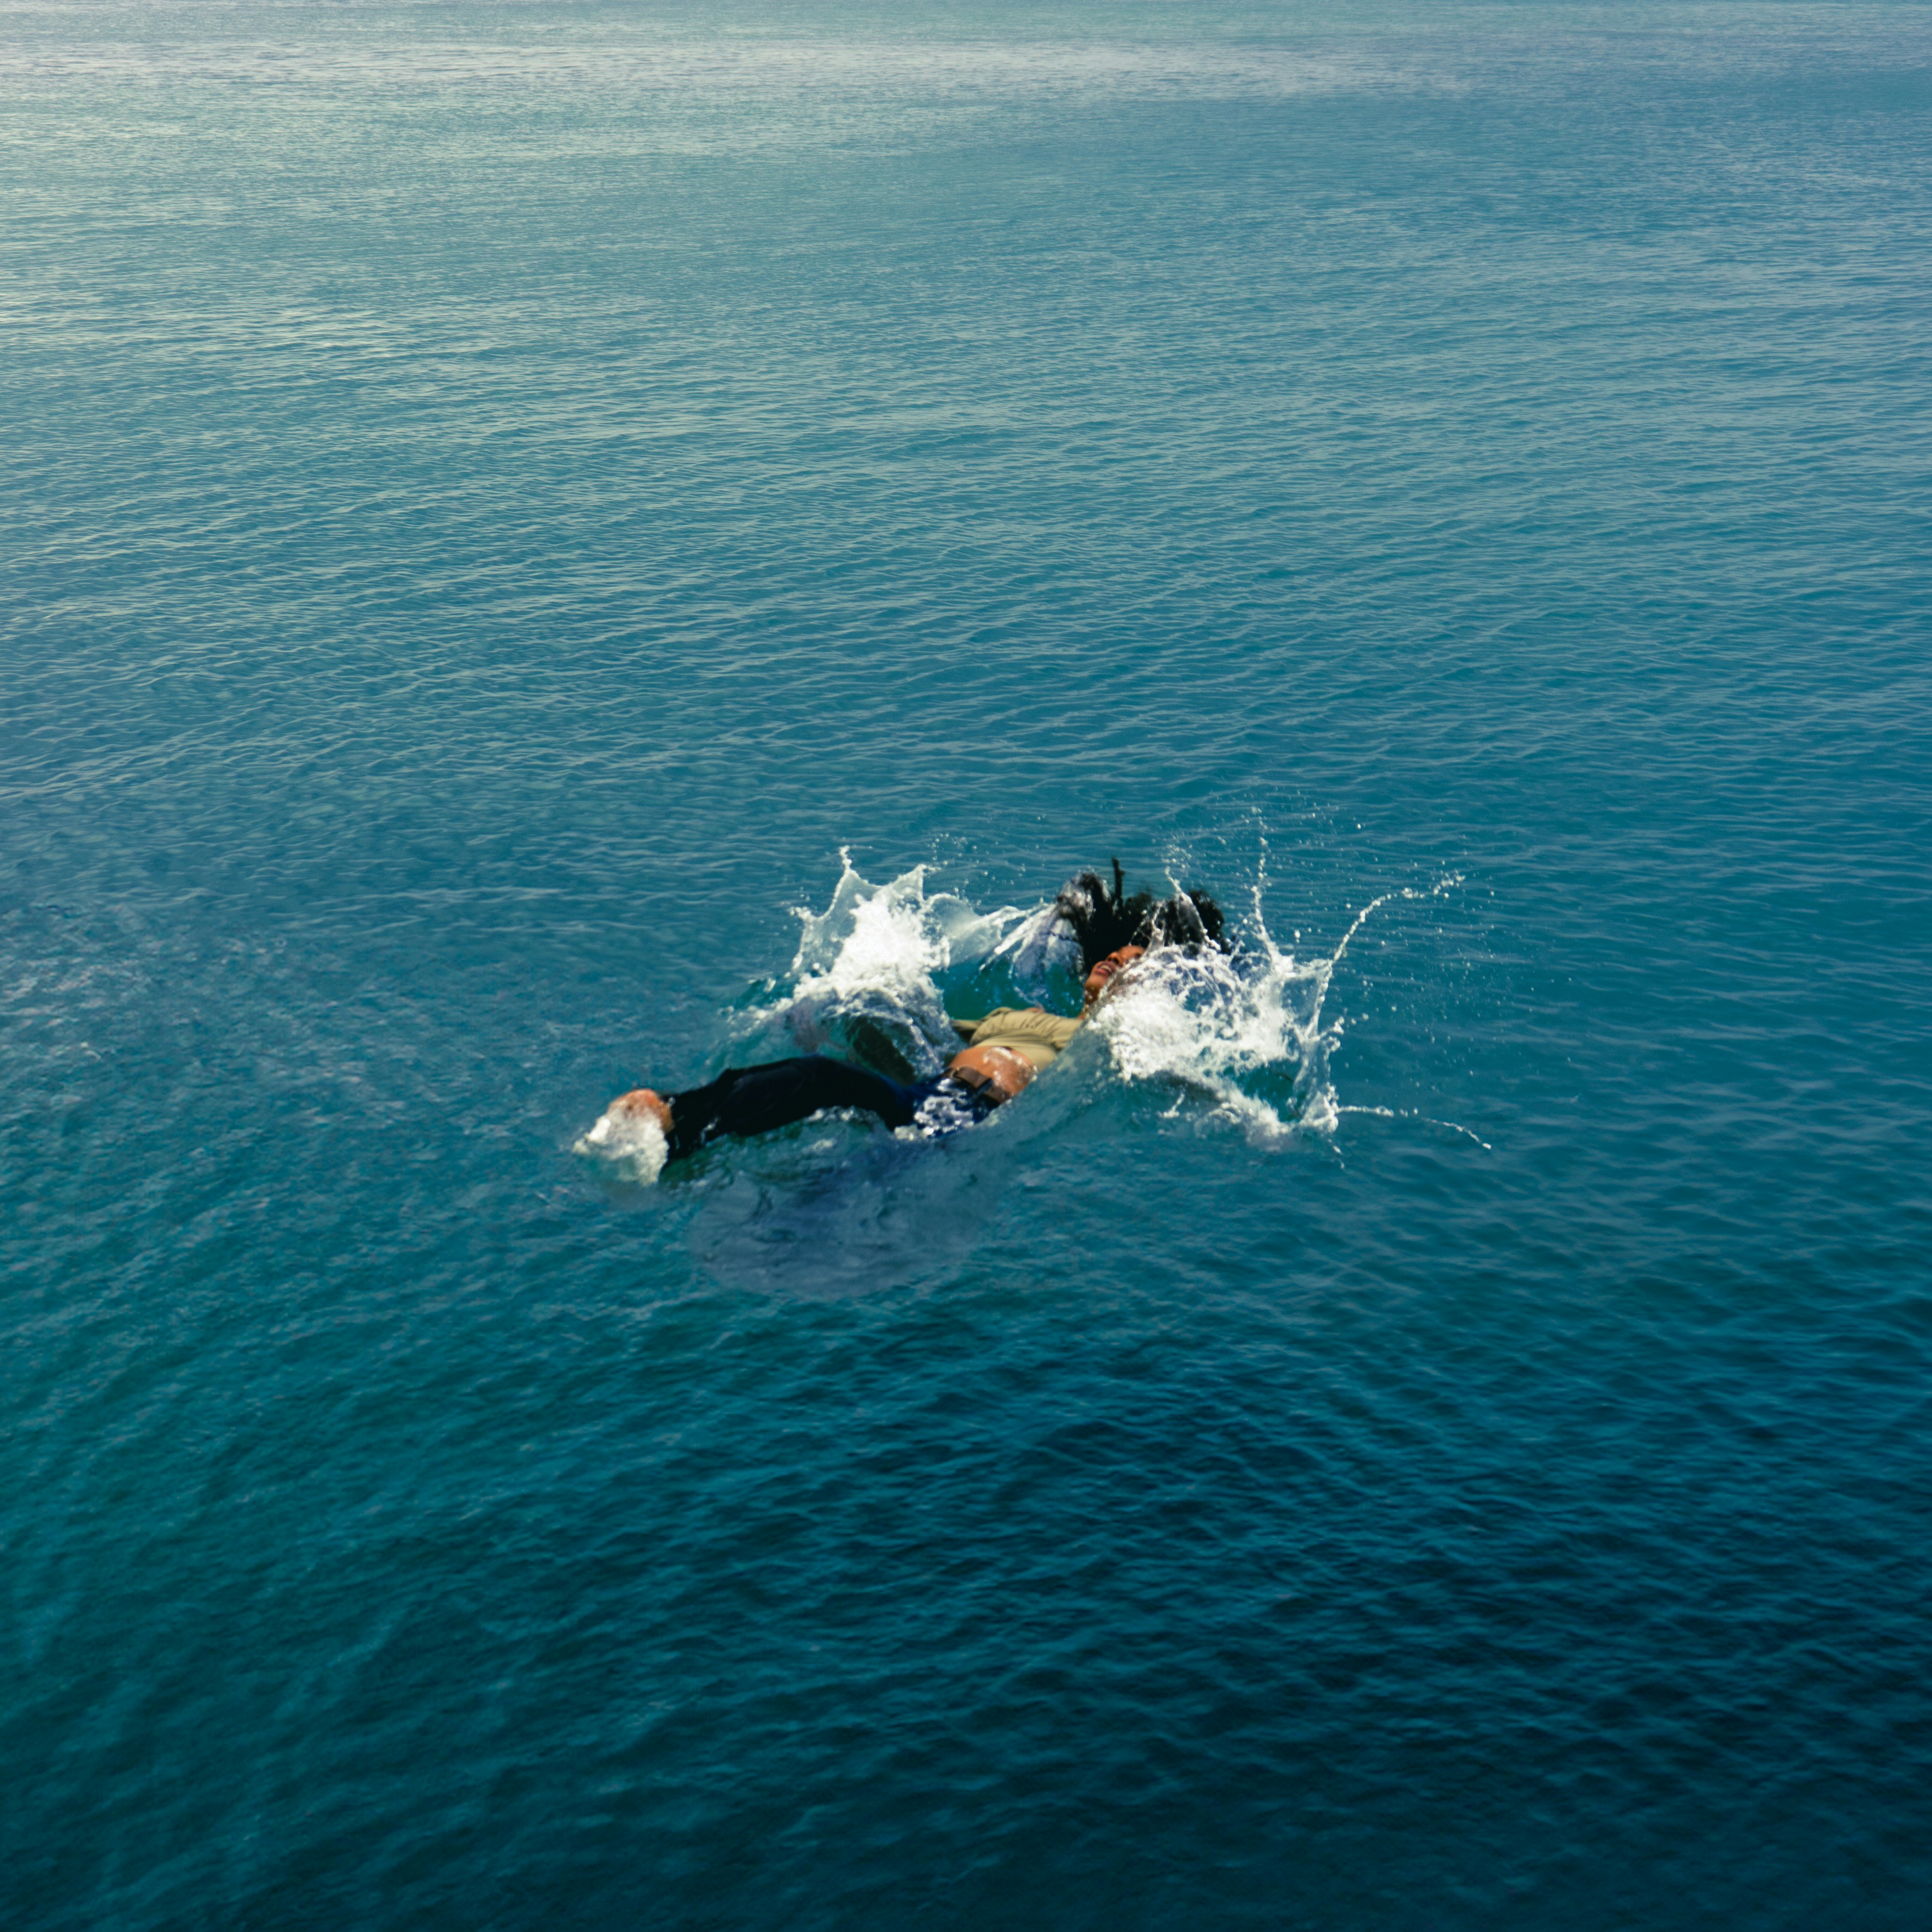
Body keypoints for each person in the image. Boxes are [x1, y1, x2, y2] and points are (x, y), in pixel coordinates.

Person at [596, 867, 1226, 1168]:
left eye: (1134, 963)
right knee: (853, 1030)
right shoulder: (1022, 1015)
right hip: (931, 1093)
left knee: (824, 1086)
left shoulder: (1116, 1042)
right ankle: (688, 1118)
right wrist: (839, 1018)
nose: (1116, 962)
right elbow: (931, 1033)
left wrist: (1244, 1115)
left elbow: (1168, 1079)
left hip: (967, 1116)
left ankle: (680, 1126)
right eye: (1113, 953)